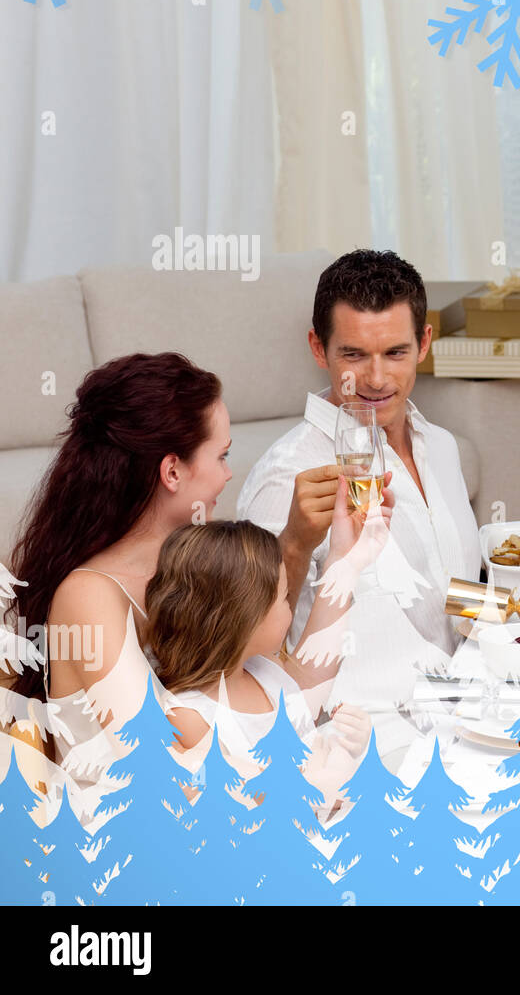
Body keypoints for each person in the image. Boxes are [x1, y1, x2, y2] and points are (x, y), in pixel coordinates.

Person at [237, 249, 480, 761]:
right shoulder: (288, 474)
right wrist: (294, 544)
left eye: (394, 352)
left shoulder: (441, 447)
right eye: (353, 355)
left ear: (425, 343)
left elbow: (455, 598)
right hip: (361, 745)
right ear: (318, 349)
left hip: (469, 712)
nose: (374, 379)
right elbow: (247, 646)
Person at [3, 353, 230, 818]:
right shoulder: (90, 595)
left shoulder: (187, 569)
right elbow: (155, 761)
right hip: (117, 849)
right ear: (172, 471)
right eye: (222, 456)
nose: (228, 474)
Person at [146, 482, 390, 806]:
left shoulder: (264, 672)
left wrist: (347, 559)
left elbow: (318, 670)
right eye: (282, 598)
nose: (290, 605)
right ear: (244, 618)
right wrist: (336, 776)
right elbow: (257, 796)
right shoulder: (188, 716)